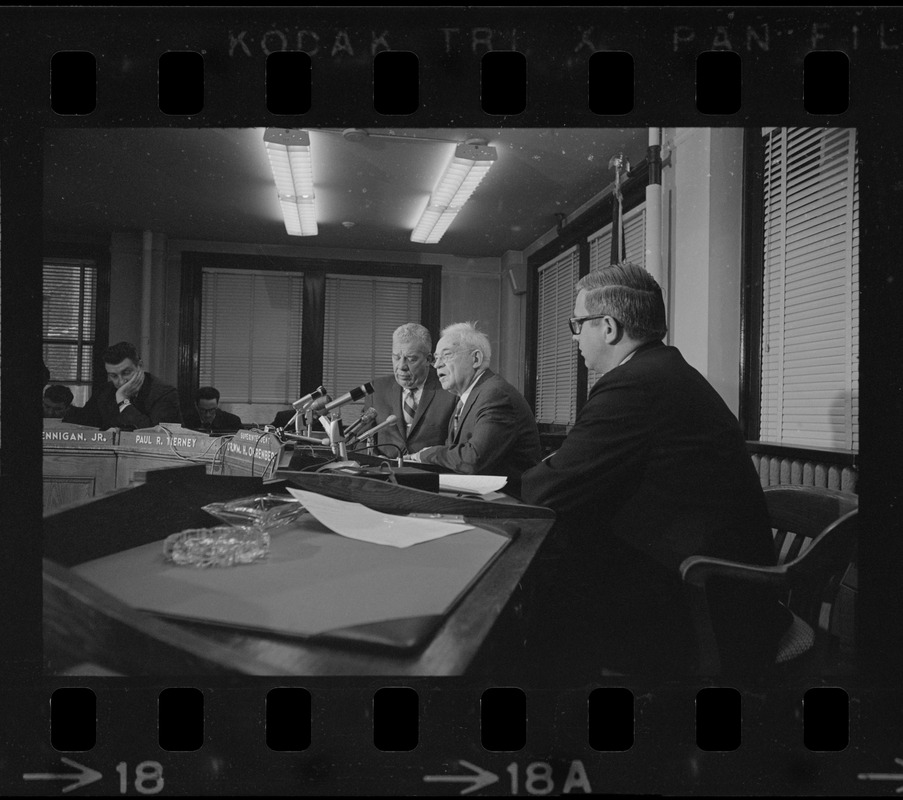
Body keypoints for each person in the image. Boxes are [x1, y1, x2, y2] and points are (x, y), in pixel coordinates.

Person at [519, 263, 790, 680]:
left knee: (538, 594)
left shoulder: (634, 384)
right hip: (725, 588)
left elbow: (547, 491)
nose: (575, 336)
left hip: (707, 605)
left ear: (608, 326)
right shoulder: (663, 371)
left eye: (577, 323)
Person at [408, 322, 541, 497]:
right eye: (436, 358)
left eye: (446, 356)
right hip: (477, 497)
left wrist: (426, 454)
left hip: (507, 503)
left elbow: (473, 459)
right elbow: (455, 457)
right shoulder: (468, 397)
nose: (436, 365)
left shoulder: (495, 395)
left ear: (476, 359)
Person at [354, 323, 457, 457]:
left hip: (429, 473)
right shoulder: (378, 389)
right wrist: (375, 459)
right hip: (384, 472)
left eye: (411, 359)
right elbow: (360, 440)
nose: (401, 366)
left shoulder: (449, 390)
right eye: (396, 357)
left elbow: (454, 444)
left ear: (429, 359)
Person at [64, 341, 182, 431]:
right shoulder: (105, 391)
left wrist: (123, 400)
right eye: (113, 376)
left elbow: (157, 436)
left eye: (126, 373)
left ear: (140, 366)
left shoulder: (165, 394)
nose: (121, 382)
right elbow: (86, 424)